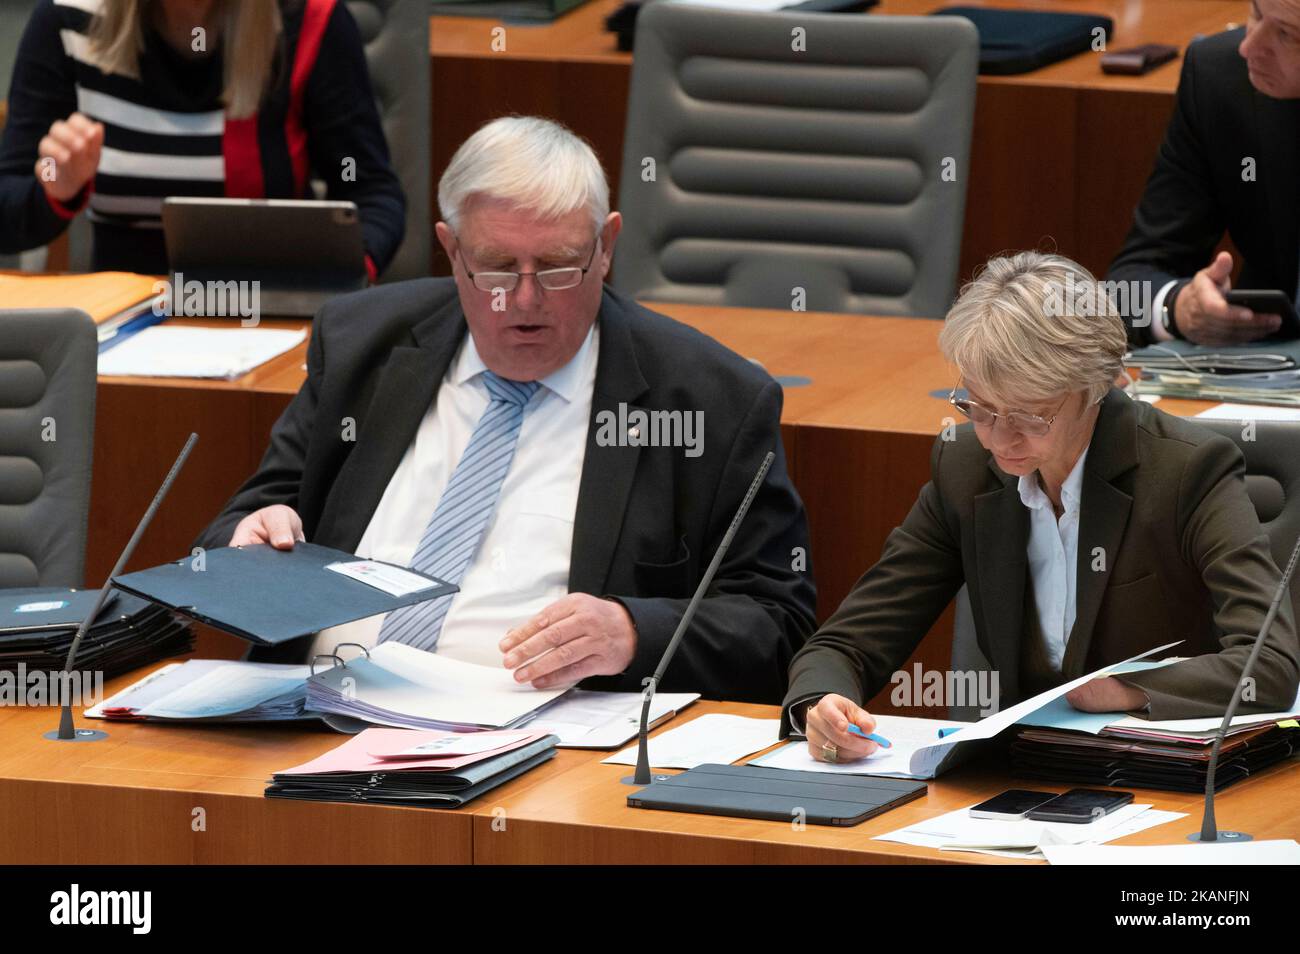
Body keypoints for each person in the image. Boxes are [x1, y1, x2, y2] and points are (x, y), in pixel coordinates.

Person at [194, 116, 816, 703]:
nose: (524, 299)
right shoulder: (364, 345)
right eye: (495, 269)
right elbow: (250, 520)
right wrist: (245, 542)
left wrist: (633, 631)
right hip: (310, 714)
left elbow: (776, 622)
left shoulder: (709, 399)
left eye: (556, 267)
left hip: (543, 755)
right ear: (451, 249)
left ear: (606, 247)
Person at [784, 252, 1299, 763]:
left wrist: (1125, 688)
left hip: (1160, 771)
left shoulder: (1187, 471)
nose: (1000, 440)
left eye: (1030, 415)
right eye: (981, 409)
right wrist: (821, 704)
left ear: (1096, 388)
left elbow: (1269, 665)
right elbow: (847, 643)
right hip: (1017, 775)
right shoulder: (965, 469)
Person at [0, 0, 405, 279]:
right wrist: (55, 187)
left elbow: (370, 191)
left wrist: (341, 275)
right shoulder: (69, 17)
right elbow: (10, 204)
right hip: (122, 323)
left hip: (269, 315)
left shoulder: (309, 20)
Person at [1108, 1, 1300, 347]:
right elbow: (1125, 287)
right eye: (1256, 12)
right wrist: (1177, 307)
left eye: (1287, 34)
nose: (1249, 46)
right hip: (1266, 379)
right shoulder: (1220, 78)